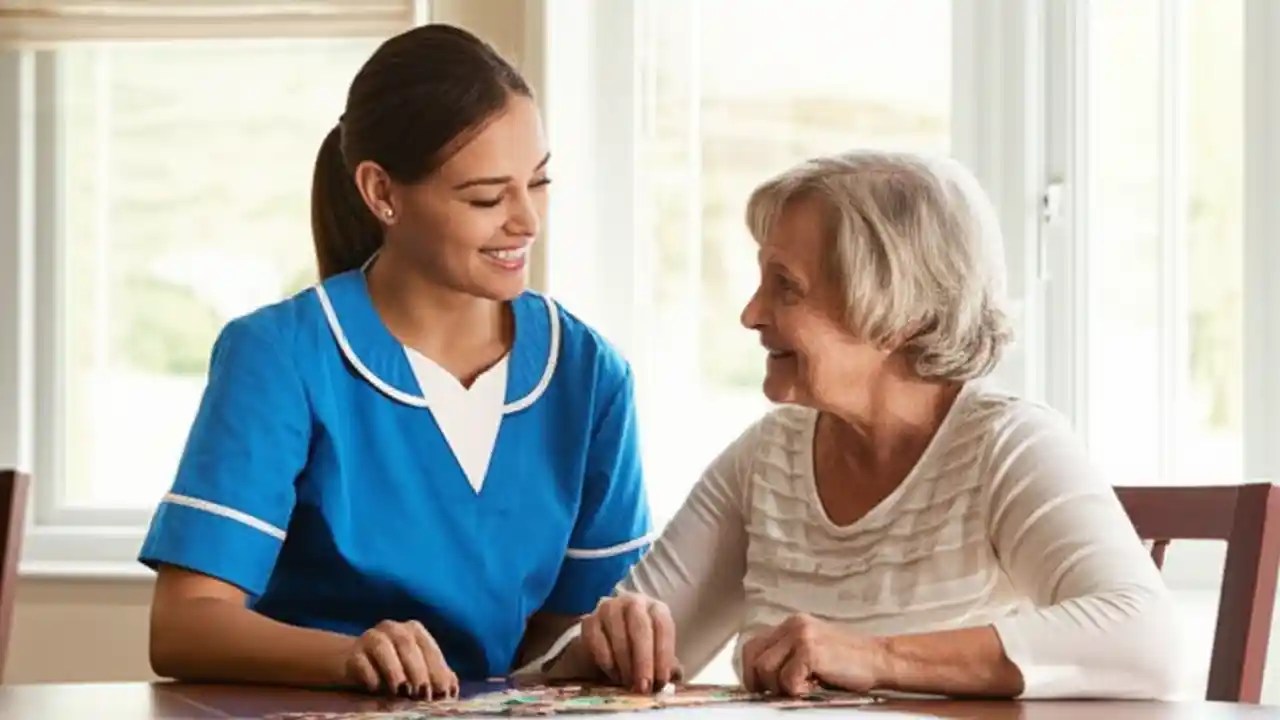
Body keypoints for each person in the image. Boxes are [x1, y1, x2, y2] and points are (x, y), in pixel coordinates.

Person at [545, 151, 1181, 700]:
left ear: (895, 309)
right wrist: (603, 643)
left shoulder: (1006, 445)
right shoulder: (767, 457)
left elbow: (1145, 640)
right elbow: (602, 662)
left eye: (785, 287)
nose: (751, 313)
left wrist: (876, 657)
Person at [137, 24, 652, 700]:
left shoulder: (588, 375)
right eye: (486, 197)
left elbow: (571, 630)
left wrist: (617, 640)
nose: (527, 220)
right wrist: (351, 657)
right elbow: (184, 628)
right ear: (382, 193)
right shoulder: (281, 356)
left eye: (540, 181)